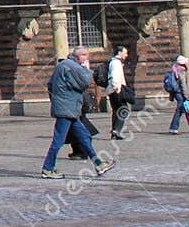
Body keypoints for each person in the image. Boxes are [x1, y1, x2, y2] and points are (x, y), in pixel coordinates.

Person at [40, 49, 114, 179]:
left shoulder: (62, 66)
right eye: (85, 56)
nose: (86, 59)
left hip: (69, 110)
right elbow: (85, 82)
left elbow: (50, 84)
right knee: (58, 140)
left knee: (85, 136)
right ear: (79, 56)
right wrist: (87, 70)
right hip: (67, 110)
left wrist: (57, 100)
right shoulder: (72, 66)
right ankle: (47, 168)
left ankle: (99, 164)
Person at [165, 56, 189, 134]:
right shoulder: (181, 70)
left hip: (176, 93)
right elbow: (183, 85)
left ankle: (175, 128)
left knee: (183, 110)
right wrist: (187, 96)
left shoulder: (174, 68)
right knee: (188, 109)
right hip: (180, 93)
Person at [106, 46, 132, 140]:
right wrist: (117, 87)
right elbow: (115, 75)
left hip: (113, 89)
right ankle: (116, 130)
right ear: (119, 53)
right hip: (116, 89)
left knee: (116, 110)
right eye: (125, 53)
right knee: (123, 110)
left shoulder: (115, 62)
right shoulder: (116, 63)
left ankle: (114, 131)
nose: (126, 55)